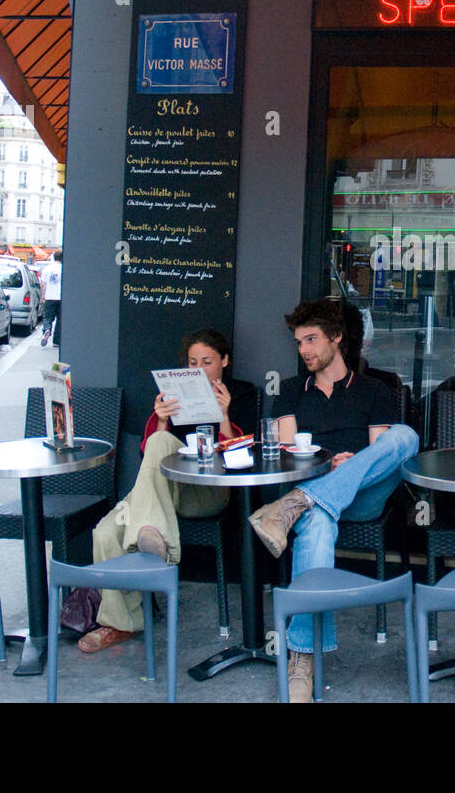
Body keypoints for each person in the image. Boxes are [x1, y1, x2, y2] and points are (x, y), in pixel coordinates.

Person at [246, 299, 419, 701]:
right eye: (298, 342)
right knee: (318, 520)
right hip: (315, 485)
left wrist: (351, 463)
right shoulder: (291, 391)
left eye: (311, 339)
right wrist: (325, 464)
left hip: (362, 494)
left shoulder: (375, 390)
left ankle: (293, 506)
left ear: (336, 338)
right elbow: (287, 455)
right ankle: (302, 658)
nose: (303, 349)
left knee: (406, 437)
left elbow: (380, 456)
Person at [77, 327, 258, 653]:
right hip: (163, 489)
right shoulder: (173, 395)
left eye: (207, 362)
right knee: (104, 533)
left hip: (207, 492)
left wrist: (223, 415)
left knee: (160, 447)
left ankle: (153, 541)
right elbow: (149, 456)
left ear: (224, 361)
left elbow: (240, 460)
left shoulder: (241, 395)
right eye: (192, 362)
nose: (198, 369)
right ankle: (122, 623)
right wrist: (161, 419)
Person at [40, 249, 62, 346]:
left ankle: (47, 329)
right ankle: (56, 341)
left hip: (49, 296)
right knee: (60, 320)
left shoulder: (47, 268)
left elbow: (43, 284)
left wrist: (43, 295)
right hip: (61, 298)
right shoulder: (64, 268)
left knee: (47, 317)